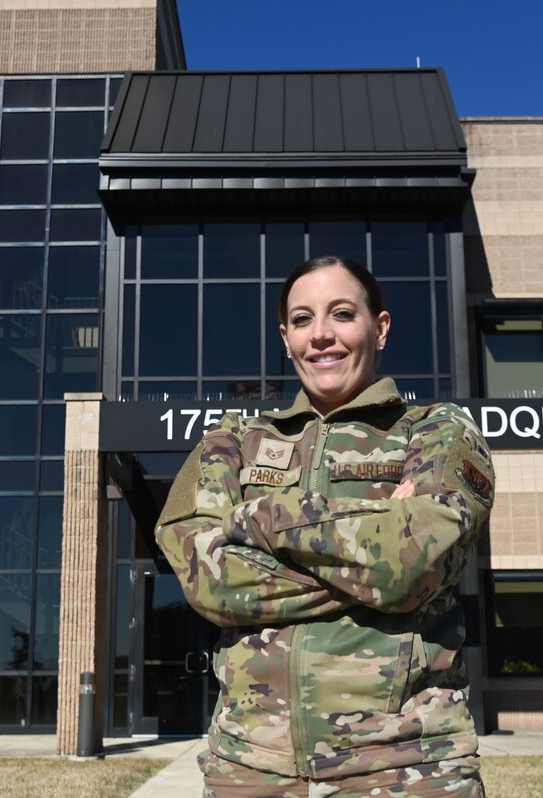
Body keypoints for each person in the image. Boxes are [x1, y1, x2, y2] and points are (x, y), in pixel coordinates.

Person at [155, 255, 494, 797]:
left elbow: (407, 566)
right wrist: (374, 537)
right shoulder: (235, 439)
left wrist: (257, 519)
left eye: (341, 314)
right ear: (285, 337)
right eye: (303, 319)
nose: (322, 336)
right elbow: (206, 579)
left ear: (378, 328)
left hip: (407, 767)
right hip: (249, 768)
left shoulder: (436, 430)